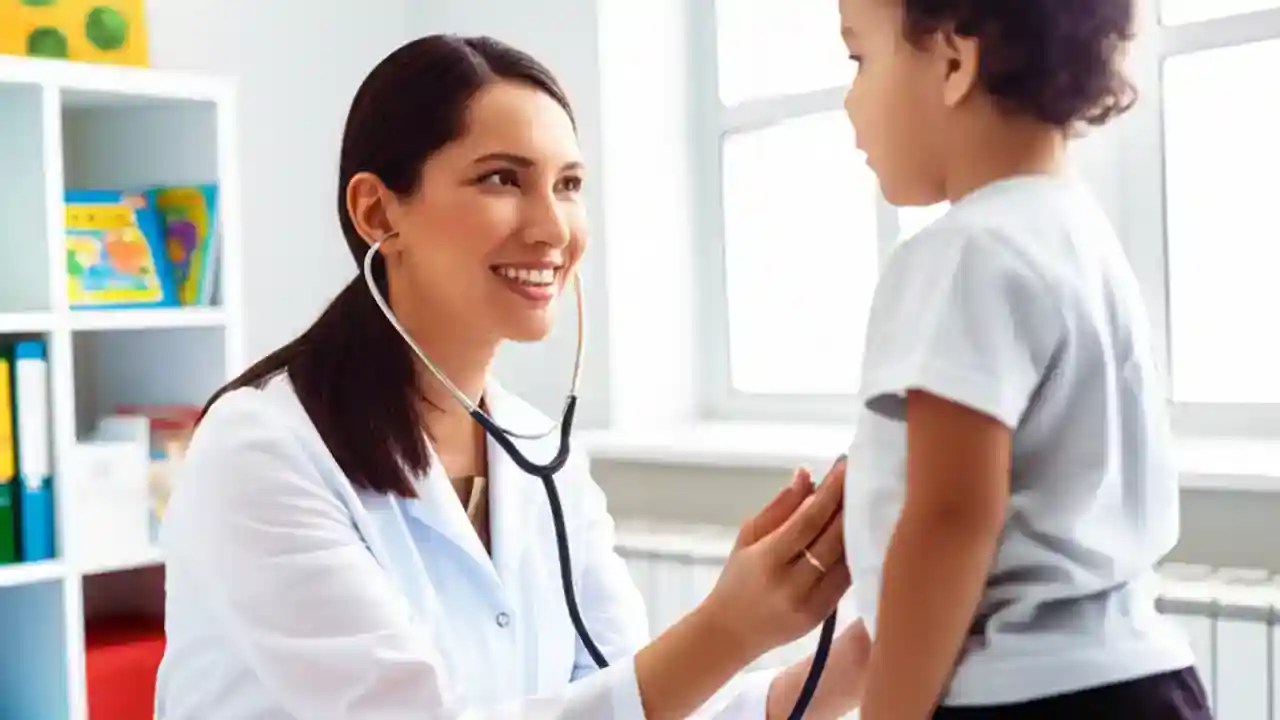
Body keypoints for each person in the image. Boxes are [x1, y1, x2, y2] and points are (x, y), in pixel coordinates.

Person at [155, 35, 870, 720]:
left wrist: (855, 666)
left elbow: (632, 700)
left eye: (568, 184)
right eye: (502, 178)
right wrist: (729, 628)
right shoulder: (261, 450)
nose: (554, 228)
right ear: (378, 212)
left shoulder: (539, 453)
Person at [834, 0, 1211, 717]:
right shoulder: (1081, 238)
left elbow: (949, 521)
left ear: (953, 61)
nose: (849, 100)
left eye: (859, 59)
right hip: (1148, 676)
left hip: (1021, 693)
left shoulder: (962, 252)